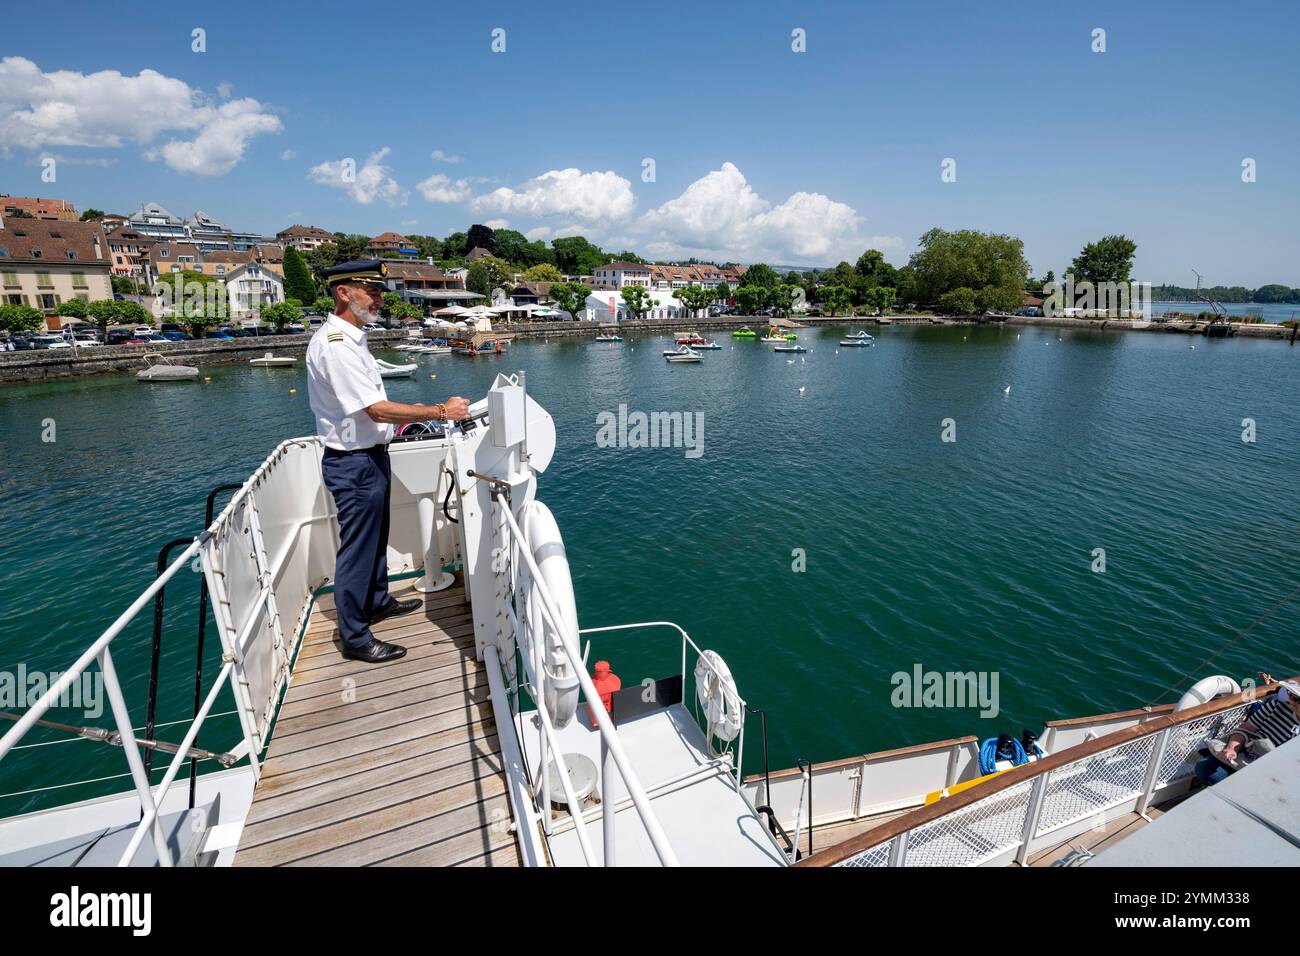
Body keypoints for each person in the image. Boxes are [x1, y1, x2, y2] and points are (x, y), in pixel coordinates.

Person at [307, 259, 469, 663]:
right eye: (372, 291)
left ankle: (377, 600)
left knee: (375, 538)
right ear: (344, 293)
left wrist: (410, 408)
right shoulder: (337, 347)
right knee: (358, 550)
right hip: (353, 462)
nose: (380, 299)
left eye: (380, 292)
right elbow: (376, 411)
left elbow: (373, 407)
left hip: (369, 456)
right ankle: (356, 638)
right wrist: (439, 411)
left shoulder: (353, 337)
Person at [1194, 676, 1300, 787]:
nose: (1291, 700)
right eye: (1290, 695)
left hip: (1271, 772)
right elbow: (1246, 728)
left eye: (1297, 699)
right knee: (1204, 768)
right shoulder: (1276, 706)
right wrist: (1232, 748)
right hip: (1246, 754)